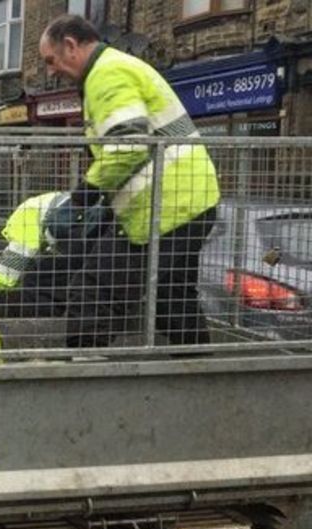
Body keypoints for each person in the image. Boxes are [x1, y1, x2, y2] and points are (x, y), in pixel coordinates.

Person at [39, 14, 220, 349]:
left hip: (166, 207)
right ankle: (203, 380)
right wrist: (106, 208)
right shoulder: (117, 67)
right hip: (192, 201)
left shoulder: (106, 75)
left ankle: (78, 387)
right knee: (172, 297)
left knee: (93, 292)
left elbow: (127, 146)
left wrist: (82, 198)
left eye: (51, 60)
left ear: (70, 46)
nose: (51, 71)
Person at [0, 191, 105, 318]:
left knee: (38, 286)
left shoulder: (23, 218)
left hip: (78, 228)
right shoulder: (41, 205)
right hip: (97, 226)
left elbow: (19, 255)